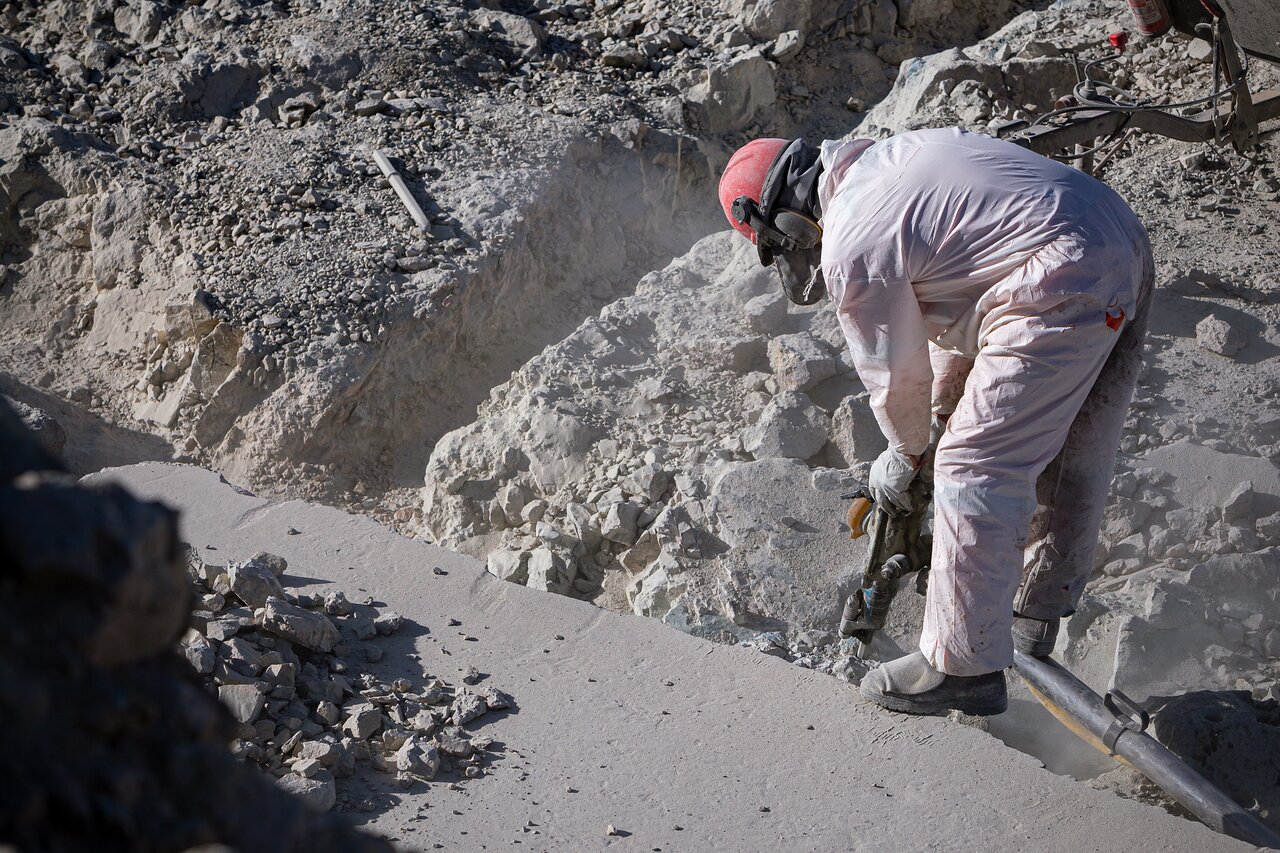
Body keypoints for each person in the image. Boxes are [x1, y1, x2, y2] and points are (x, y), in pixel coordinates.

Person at [717, 128, 1153, 716]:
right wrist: (941, 418)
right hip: (1116, 234)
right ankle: (1031, 611)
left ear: (789, 227)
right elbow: (965, 301)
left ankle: (961, 669)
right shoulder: (896, 159)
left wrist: (905, 453)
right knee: (1076, 445)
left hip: (1057, 272)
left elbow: (895, 375)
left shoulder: (853, 236)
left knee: (975, 466)